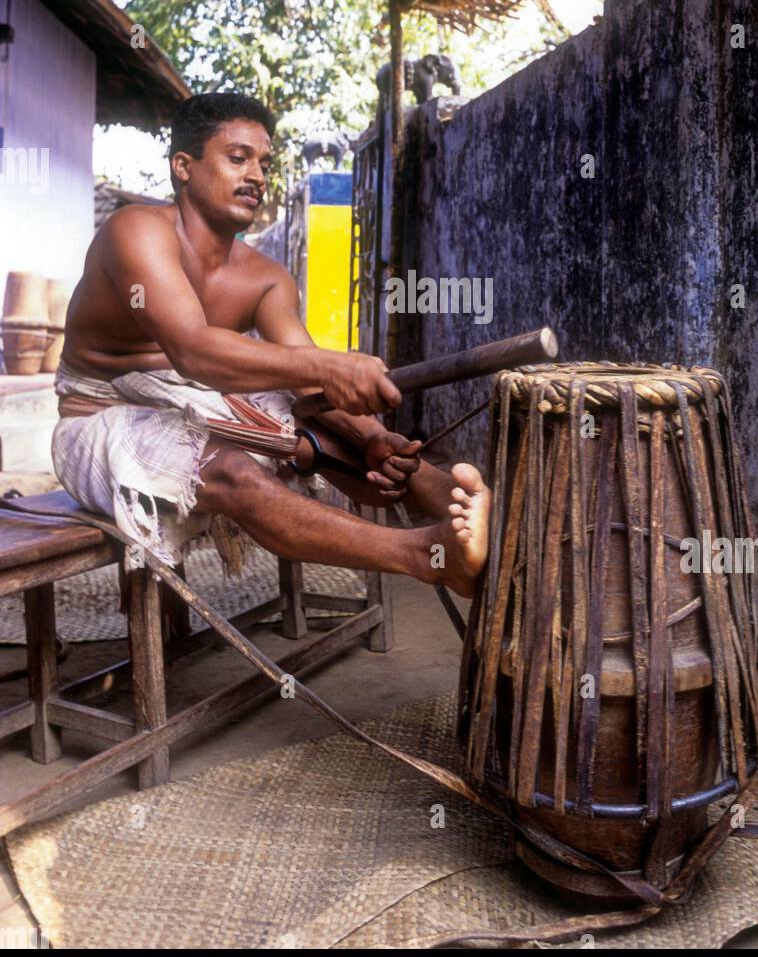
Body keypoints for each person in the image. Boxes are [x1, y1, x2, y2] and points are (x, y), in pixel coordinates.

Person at [53, 93, 489, 599]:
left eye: (264, 163)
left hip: (197, 404)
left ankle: (479, 509)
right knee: (231, 468)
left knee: (336, 435)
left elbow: (304, 378)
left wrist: (371, 434)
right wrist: (332, 367)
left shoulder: (264, 277)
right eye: (238, 157)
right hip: (98, 419)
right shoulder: (136, 231)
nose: (257, 175)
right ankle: (426, 556)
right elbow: (192, 351)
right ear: (183, 167)